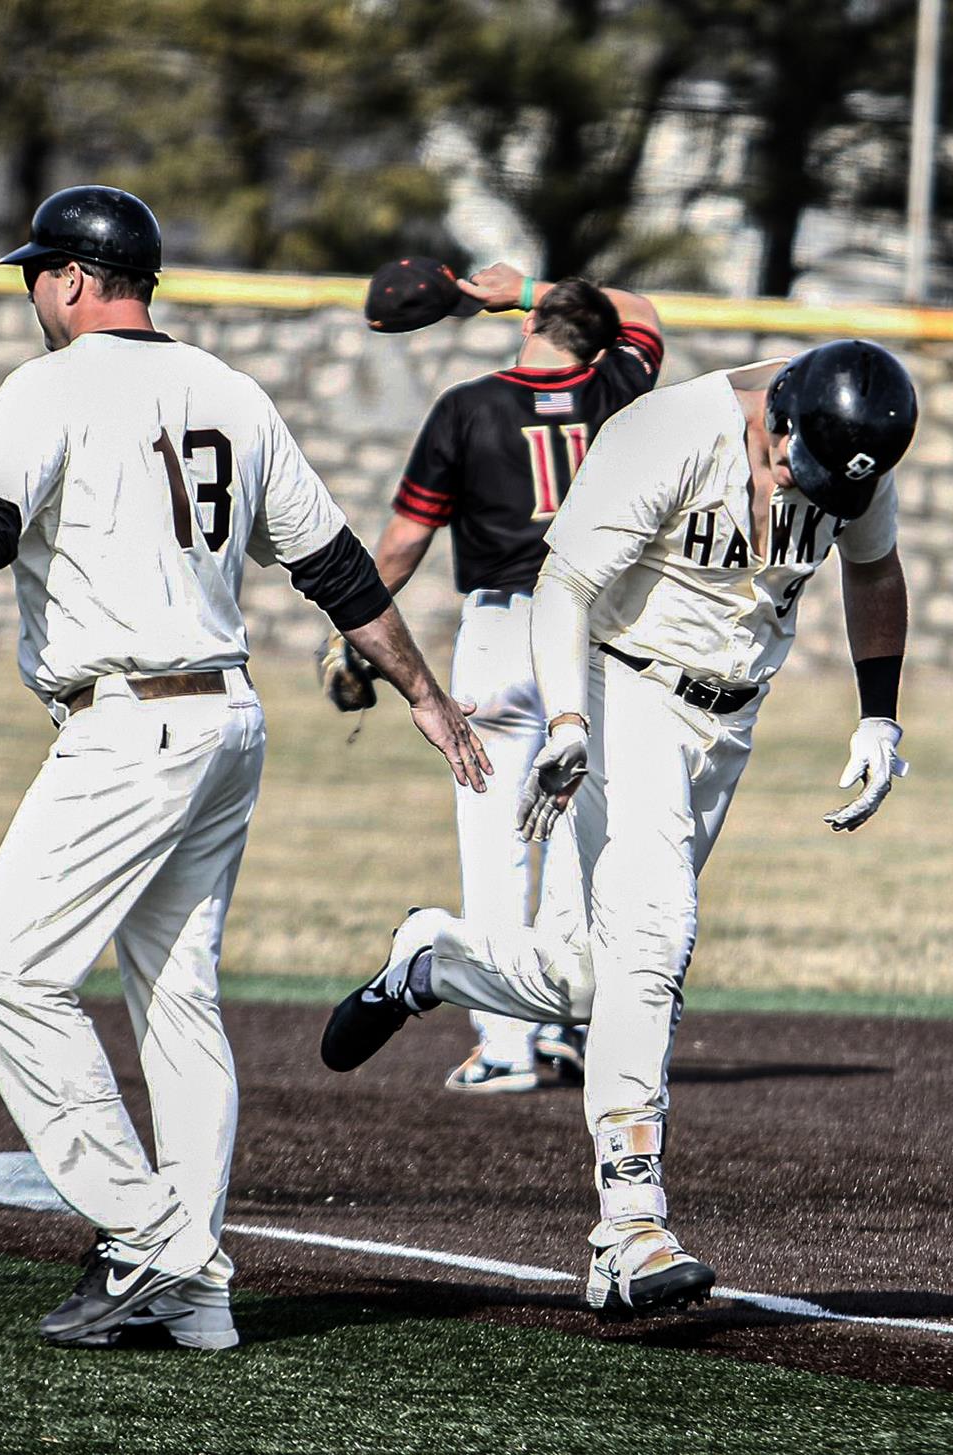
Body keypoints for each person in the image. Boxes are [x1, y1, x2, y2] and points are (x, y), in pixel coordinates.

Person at [0, 185, 490, 1350]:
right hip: (227, 723)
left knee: (5, 973)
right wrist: (423, 692)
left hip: (132, 727)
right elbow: (338, 567)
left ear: (68, 278)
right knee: (176, 998)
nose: (31, 295)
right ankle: (196, 1299)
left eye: (34, 275)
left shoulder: (46, 387)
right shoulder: (228, 390)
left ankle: (153, 1236)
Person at [319, 338, 920, 1319]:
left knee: (581, 979)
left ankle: (429, 962)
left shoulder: (850, 445)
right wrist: (565, 721)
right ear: (780, 412)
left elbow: (873, 568)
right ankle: (628, 1229)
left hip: (724, 728)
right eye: (791, 461)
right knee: (655, 937)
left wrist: (878, 714)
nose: (795, 486)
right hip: (621, 689)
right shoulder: (668, 433)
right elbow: (562, 585)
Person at [326, 258, 663, 1094]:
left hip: (504, 636)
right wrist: (520, 288)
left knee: (498, 851)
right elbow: (640, 309)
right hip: (599, 636)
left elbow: (403, 543)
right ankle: (563, 1030)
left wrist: (352, 635)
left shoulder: (468, 407)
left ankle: (507, 1042)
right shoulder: (623, 384)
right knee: (590, 845)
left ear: (527, 330)